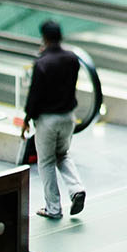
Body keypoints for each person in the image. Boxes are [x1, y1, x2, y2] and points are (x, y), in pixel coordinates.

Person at [23, 20, 87, 219]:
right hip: (68, 117)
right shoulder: (72, 58)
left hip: (47, 120)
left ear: (44, 38)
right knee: (63, 154)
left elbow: (35, 95)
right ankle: (76, 189)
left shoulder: (42, 63)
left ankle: (53, 208)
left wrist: (27, 118)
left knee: (47, 161)